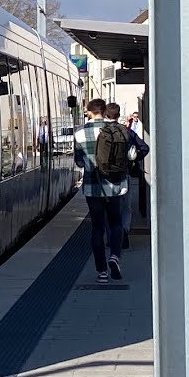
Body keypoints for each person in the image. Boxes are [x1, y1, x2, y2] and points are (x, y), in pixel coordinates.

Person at [74, 99, 128, 283]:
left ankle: (102, 272)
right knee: (116, 223)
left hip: (92, 187)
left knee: (97, 228)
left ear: (89, 112)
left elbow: (79, 161)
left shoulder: (80, 133)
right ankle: (115, 256)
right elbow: (129, 155)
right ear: (105, 111)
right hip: (115, 186)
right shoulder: (118, 129)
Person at [105, 103, 148, 245]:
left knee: (109, 207)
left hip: (106, 177)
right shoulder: (127, 132)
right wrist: (134, 159)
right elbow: (144, 147)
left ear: (106, 115)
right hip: (125, 174)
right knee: (125, 206)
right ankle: (124, 231)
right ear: (118, 116)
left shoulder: (102, 132)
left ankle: (111, 236)